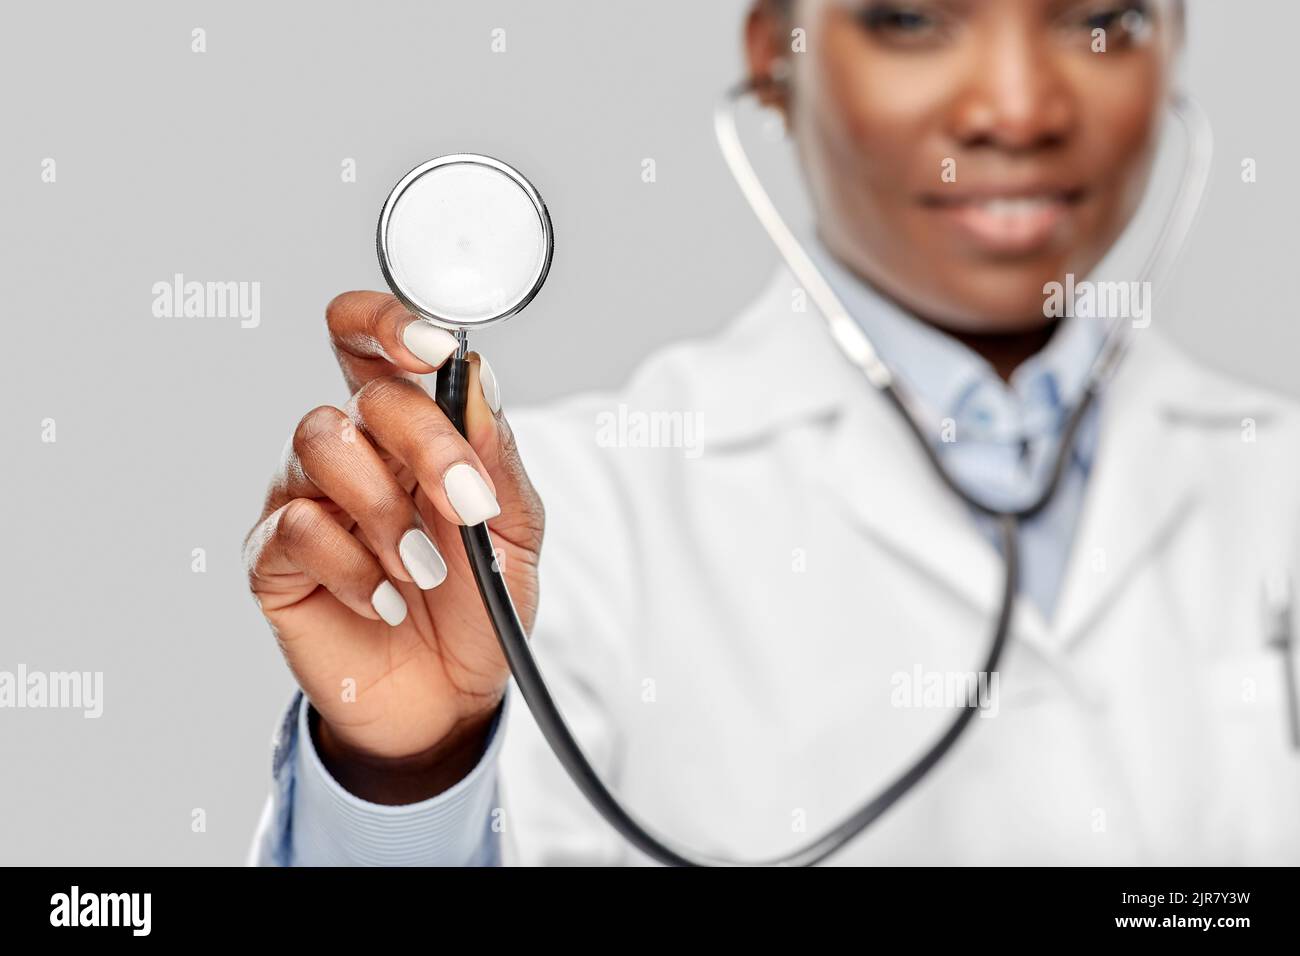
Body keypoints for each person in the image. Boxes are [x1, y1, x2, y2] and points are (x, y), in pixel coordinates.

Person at [245, 0, 1300, 865]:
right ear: (774, 59)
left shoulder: (1276, 477)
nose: (1018, 110)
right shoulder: (546, 525)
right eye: (910, 19)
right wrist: (409, 777)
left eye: (1103, 22)